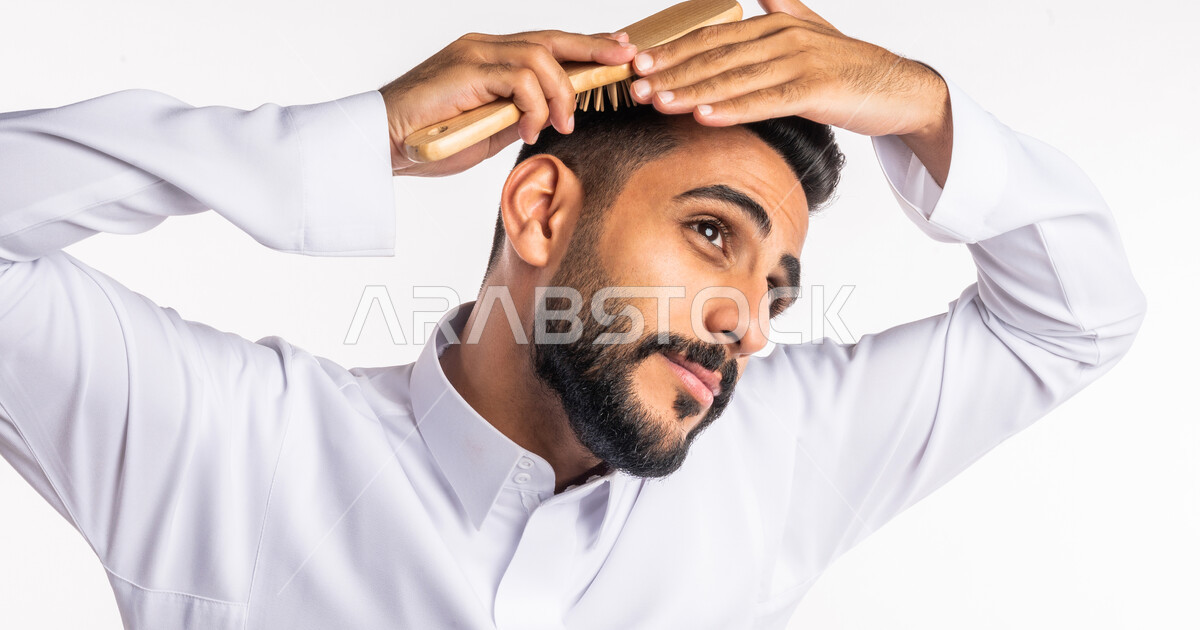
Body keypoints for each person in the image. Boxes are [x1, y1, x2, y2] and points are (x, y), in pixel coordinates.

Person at [0, 0, 1145, 628]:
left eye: (774, 288)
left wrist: (922, 106)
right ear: (542, 208)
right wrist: (363, 138)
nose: (748, 323)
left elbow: (1076, 318)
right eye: (713, 235)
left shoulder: (783, 453)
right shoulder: (226, 448)